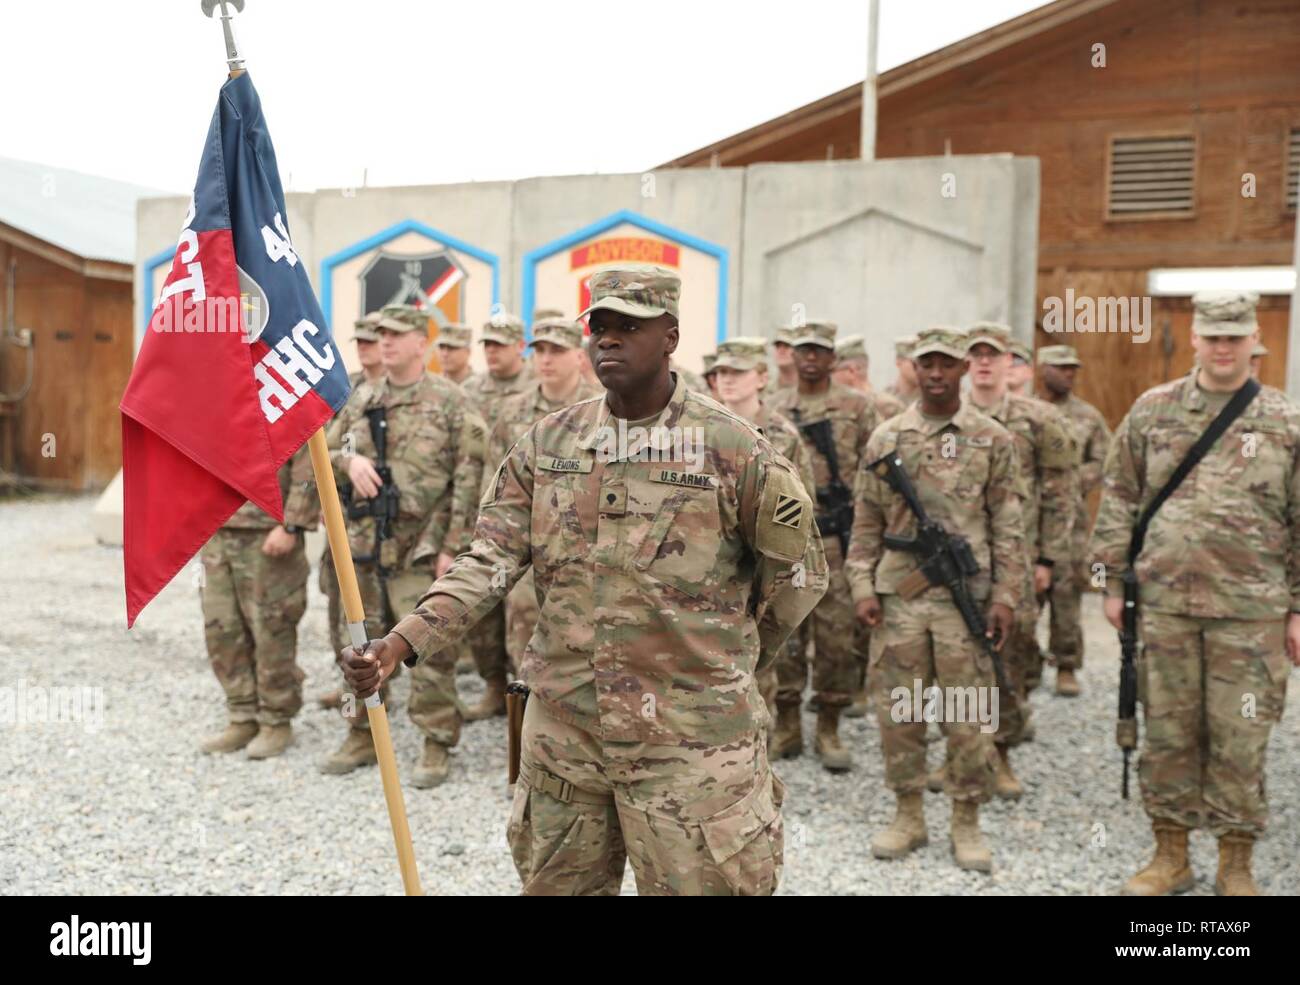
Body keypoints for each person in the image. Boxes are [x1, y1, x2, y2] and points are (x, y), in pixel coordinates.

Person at [339, 263, 828, 895]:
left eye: (630, 326)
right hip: (567, 734)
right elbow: (489, 559)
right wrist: (401, 641)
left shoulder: (734, 449)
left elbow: (797, 577)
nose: (609, 339)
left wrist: (723, 662)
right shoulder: (549, 443)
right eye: (600, 326)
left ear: (671, 338)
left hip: (691, 745)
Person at [1091, 290, 1300, 897]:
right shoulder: (1153, 411)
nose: (1224, 347)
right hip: (1166, 607)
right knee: (1169, 734)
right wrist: (1109, 583)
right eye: (1214, 336)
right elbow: (1118, 497)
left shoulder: (1284, 421)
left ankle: (1236, 862)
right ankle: (1171, 855)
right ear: (1195, 339)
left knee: (1242, 736)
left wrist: (1298, 608)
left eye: (1235, 337)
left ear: (1255, 339)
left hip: (1252, 614)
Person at [848, 326, 1025, 873]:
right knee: (899, 711)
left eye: (947, 364)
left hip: (963, 598)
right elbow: (866, 521)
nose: (936, 373)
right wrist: (861, 585)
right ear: (915, 368)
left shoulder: (992, 439)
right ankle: (908, 814)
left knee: (967, 713)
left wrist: (1006, 595)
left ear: (964, 369)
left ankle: (965, 819)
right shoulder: (886, 438)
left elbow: (1009, 524)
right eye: (927, 364)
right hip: (899, 596)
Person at [320, 308, 487, 788]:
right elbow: (324, 450)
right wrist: (350, 461)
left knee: (428, 646)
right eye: (381, 335)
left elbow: (470, 478)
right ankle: (360, 733)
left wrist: (453, 546)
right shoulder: (363, 398)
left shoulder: (452, 401)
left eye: (397, 335)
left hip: (422, 545)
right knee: (357, 644)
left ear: (421, 342)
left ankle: (436, 740)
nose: (386, 342)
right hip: (367, 544)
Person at [464, 317, 602, 721]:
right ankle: (525, 729)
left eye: (557, 350)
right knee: (523, 631)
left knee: (584, 641)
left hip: (588, 548)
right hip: (530, 543)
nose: (546, 359)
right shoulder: (515, 411)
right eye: (540, 350)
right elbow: (496, 480)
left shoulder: (603, 408)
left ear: (579, 357)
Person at [964, 323, 1076, 798]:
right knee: (956, 660)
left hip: (1017, 561)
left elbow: (1061, 494)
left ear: (1011, 361)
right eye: (976, 355)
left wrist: (1047, 558)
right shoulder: (947, 415)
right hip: (961, 564)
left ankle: (1002, 751)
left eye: (994, 355)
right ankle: (963, 752)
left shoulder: (1038, 419)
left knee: (1011, 657)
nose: (985, 363)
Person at [769, 321, 878, 771]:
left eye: (819, 351)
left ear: (834, 358)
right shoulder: (774, 407)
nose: (810, 358)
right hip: (788, 536)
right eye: (803, 350)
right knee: (787, 631)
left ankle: (829, 726)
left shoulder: (858, 407)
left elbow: (875, 473)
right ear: (792, 356)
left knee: (836, 637)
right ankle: (788, 723)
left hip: (837, 537)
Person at [710, 337, 816, 735]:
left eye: (737, 372)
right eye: (721, 372)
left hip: (757, 566)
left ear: (761, 378)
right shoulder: (697, 427)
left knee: (757, 670)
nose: (727, 380)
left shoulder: (781, 434)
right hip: (706, 566)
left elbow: (800, 510)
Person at [199, 446, 317, 759]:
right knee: (222, 627)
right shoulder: (213, 414)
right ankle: (242, 714)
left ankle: (276, 719)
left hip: (268, 533)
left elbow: (309, 466)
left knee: (271, 629)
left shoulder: (283, 411)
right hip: (215, 530)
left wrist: (292, 524)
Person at [318, 314, 387, 709]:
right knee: (341, 606)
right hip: (350, 520)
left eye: (371, 341)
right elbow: (322, 448)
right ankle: (352, 687)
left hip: (389, 524)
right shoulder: (350, 390)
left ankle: (375, 702)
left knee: (379, 614)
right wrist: (347, 461)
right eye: (358, 341)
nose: (364, 348)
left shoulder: (403, 391)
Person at [1037, 344, 1111, 696]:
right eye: (1061, 367)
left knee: (1066, 595)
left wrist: (1072, 481)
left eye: (1073, 369)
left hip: (1070, 523)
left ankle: (1066, 665)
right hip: (1028, 519)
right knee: (1024, 597)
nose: (1069, 374)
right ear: (1042, 369)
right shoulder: (1025, 411)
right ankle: (1024, 665)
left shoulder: (1087, 416)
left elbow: (1104, 460)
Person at [834, 334, 906, 421]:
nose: (830, 378)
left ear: (851, 371)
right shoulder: (890, 405)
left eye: (833, 371)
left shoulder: (888, 408)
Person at [884, 334, 919, 406]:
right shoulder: (885, 399)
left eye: (924, 363)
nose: (919, 367)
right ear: (898, 361)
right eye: (914, 362)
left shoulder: (929, 399)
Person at [772, 326, 799, 391]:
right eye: (778, 346)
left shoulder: (811, 390)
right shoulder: (764, 389)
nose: (781, 351)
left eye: (787, 346)